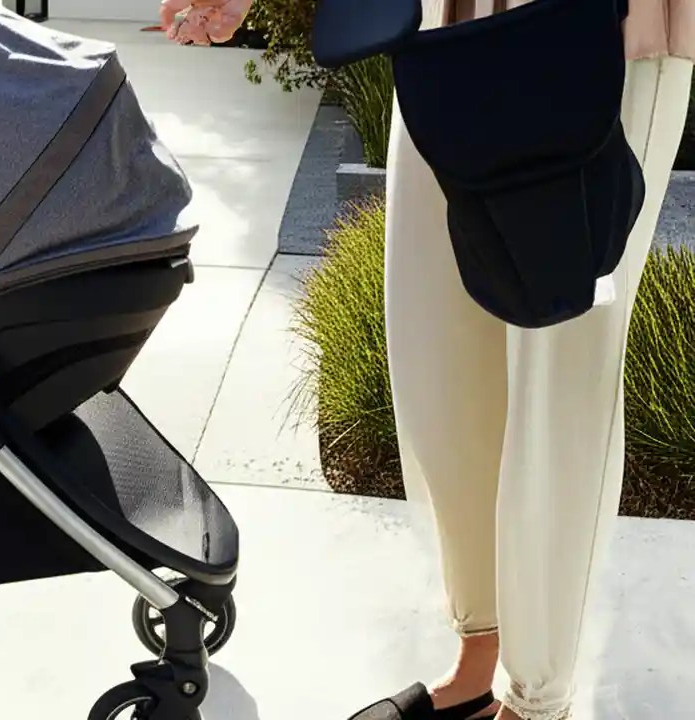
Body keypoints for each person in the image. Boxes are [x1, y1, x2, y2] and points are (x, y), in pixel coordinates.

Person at [161, 1, 694, 719]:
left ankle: (536, 698)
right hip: (448, 20)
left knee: (556, 382)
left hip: (602, 27)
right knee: (436, 354)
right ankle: (480, 658)